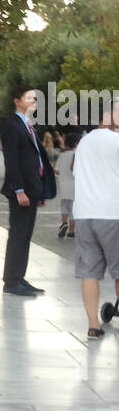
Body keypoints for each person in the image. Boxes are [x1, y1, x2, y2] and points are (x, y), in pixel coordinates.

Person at [0, 85, 56, 297]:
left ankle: (19, 277)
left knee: (25, 235)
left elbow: (35, 160)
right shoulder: (12, 125)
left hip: (32, 190)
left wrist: (38, 191)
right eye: (30, 97)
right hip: (20, 191)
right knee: (18, 234)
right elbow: (11, 160)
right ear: (17, 100)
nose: (34, 101)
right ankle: (11, 282)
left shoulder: (27, 125)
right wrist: (19, 189)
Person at [71, 104, 119, 340]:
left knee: (89, 272)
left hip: (84, 215)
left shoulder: (83, 143)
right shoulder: (116, 141)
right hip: (112, 214)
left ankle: (93, 326)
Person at [56, 131, 80, 239]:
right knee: (73, 209)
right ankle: (71, 231)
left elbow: (56, 171)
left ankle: (64, 223)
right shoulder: (77, 155)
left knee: (64, 206)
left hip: (63, 185)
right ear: (76, 143)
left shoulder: (62, 155)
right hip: (75, 185)